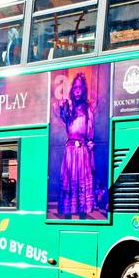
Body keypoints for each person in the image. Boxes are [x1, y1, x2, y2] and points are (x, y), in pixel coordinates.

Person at [58, 72, 99, 219]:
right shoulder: (69, 108)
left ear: (83, 90)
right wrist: (63, 105)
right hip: (70, 152)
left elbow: (90, 135)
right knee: (69, 183)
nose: (77, 90)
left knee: (82, 185)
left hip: (82, 153)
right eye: (75, 87)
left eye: (80, 88)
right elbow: (63, 116)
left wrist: (90, 153)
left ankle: (82, 218)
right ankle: (67, 218)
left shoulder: (88, 111)